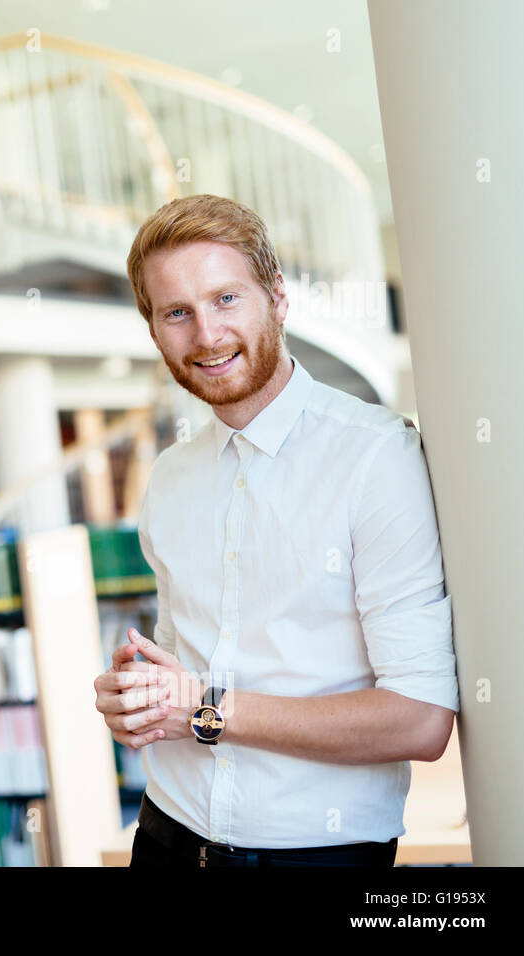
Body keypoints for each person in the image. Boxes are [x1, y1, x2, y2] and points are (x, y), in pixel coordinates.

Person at [94, 194, 459, 867]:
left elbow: (420, 717)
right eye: (177, 312)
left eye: (226, 299)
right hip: (166, 836)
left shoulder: (377, 458)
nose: (206, 335)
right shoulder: (170, 477)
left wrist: (203, 709)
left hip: (312, 856)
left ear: (278, 298)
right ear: (154, 331)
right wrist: (140, 703)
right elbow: (180, 668)